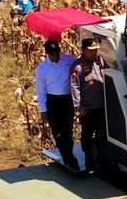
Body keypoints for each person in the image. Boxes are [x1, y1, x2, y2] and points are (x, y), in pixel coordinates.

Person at [36, 40, 79, 172]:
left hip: (67, 99)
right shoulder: (42, 68)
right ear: (47, 54)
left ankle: (69, 155)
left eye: (57, 53)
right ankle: (67, 156)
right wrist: (43, 110)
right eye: (52, 54)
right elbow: (41, 90)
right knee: (58, 131)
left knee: (68, 129)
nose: (55, 56)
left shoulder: (69, 60)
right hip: (53, 101)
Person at [71, 38, 107, 172]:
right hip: (88, 109)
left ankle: (100, 157)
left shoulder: (100, 61)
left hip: (102, 106)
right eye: (91, 51)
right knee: (87, 135)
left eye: (95, 50)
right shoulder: (78, 67)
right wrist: (78, 106)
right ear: (83, 50)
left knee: (101, 134)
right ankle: (88, 159)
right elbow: (75, 86)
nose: (94, 53)